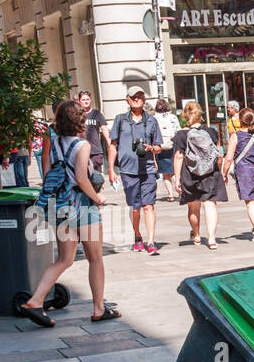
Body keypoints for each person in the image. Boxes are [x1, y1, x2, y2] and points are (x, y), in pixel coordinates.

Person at [18, 99, 118, 327]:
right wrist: (97, 197)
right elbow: (81, 178)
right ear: (79, 121)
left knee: (64, 259)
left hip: (58, 205)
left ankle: (35, 301)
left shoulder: (53, 144)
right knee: (95, 258)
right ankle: (98, 308)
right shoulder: (81, 146)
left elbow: (49, 171)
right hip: (81, 205)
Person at [108, 84, 163, 255]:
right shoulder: (121, 120)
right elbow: (113, 146)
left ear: (144, 100)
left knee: (149, 206)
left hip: (147, 170)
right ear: (128, 100)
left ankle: (151, 241)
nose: (137, 99)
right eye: (134, 97)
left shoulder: (152, 121)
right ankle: (137, 236)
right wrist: (111, 169)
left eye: (140, 96)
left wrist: (151, 148)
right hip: (127, 170)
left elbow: (159, 147)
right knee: (135, 207)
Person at [174, 100, 226, 249]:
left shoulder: (181, 134)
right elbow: (219, 154)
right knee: (210, 205)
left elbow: (178, 156)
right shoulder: (211, 132)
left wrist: (177, 178)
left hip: (190, 174)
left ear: (185, 116)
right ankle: (211, 238)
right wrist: (220, 172)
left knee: (193, 207)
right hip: (210, 173)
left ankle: (196, 235)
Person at [222, 108, 254, 243]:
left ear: (240, 121)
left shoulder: (236, 136)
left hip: (246, 173)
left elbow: (228, 158)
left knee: (251, 203)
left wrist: (224, 174)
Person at [153, 97, 181, 203]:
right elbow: (177, 131)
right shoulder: (172, 117)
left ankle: (170, 195)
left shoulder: (154, 118)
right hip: (172, 146)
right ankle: (179, 192)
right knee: (174, 172)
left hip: (159, 148)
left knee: (165, 174)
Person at [77, 90, 110, 178]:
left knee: (96, 178)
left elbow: (104, 128)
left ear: (90, 100)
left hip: (95, 151)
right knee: (83, 177)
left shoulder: (97, 114)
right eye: (83, 100)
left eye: (87, 99)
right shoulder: (76, 114)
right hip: (81, 151)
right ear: (79, 101)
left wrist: (109, 143)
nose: (86, 101)